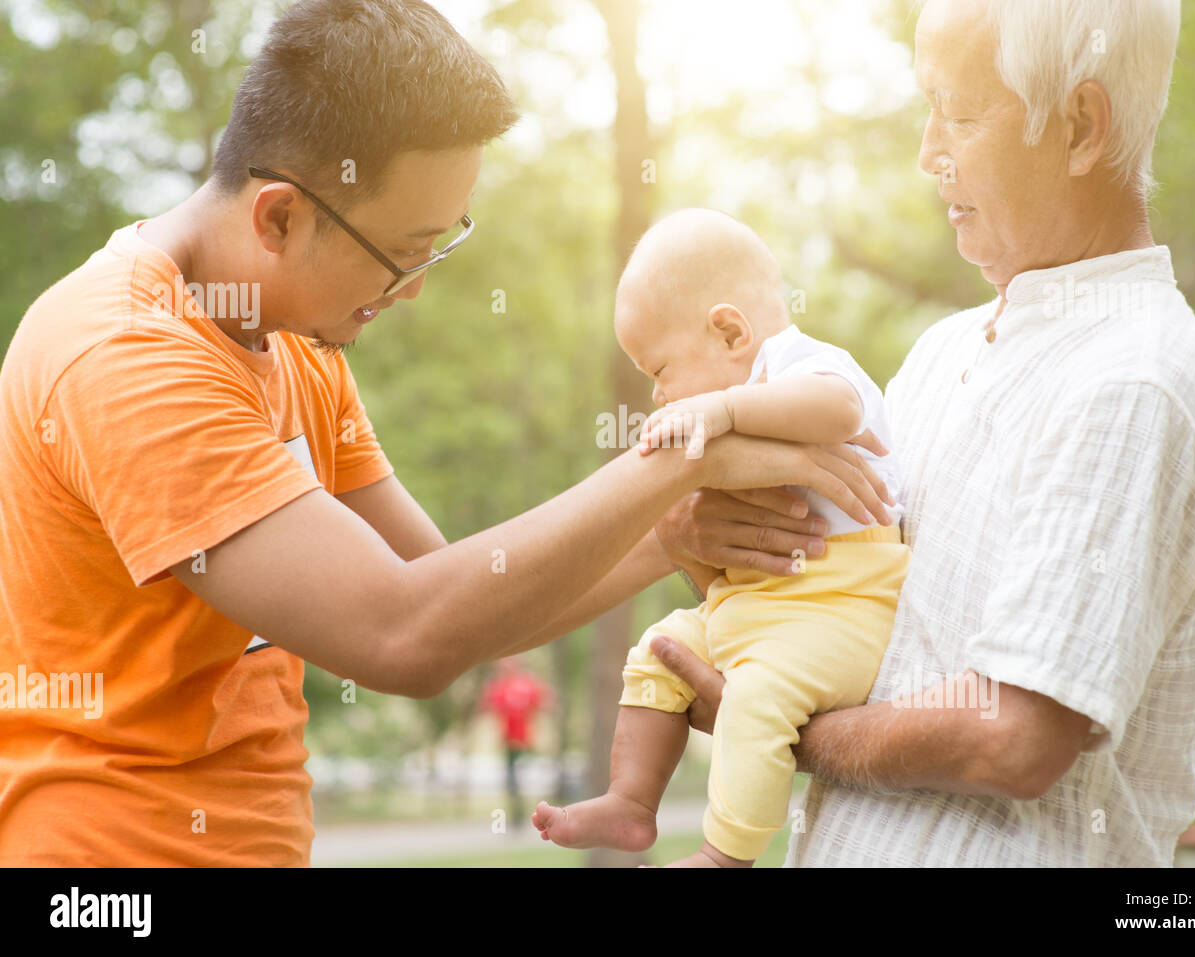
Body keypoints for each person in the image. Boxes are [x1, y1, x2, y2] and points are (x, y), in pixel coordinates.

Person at [0, 0, 888, 866]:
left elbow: (461, 602)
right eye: (406, 249)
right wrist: (680, 455)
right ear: (278, 216)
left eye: (441, 244)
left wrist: (672, 532)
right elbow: (401, 636)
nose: (416, 286)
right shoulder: (125, 358)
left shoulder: (298, 348)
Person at [651, 0, 1195, 866]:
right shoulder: (940, 354)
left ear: (1079, 125)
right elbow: (846, 595)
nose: (929, 153)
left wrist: (769, 721)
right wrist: (699, 535)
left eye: (958, 113)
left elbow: (1015, 737)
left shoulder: (1132, 378)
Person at [532, 210, 909, 867]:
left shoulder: (805, 364)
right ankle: (631, 799)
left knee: (756, 699)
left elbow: (840, 408)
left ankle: (725, 855)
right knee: (659, 648)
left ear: (730, 329)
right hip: (763, 605)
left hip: (840, 606)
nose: (657, 395)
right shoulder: (739, 409)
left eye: (661, 369)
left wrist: (725, 410)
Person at [481, 657, 551, 829]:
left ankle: (533, 815)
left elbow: (543, 703)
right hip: (508, 742)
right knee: (512, 782)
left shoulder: (527, 684)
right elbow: (489, 708)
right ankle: (517, 817)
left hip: (525, 741)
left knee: (526, 780)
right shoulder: (498, 687)